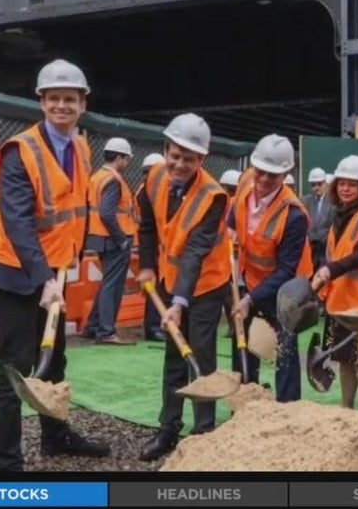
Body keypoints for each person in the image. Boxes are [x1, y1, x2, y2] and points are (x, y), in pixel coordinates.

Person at [0, 59, 110, 471]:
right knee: (15, 367)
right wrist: (44, 280)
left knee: (53, 359)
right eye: (53, 98)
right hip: (16, 273)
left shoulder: (80, 146)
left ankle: (55, 437)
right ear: (41, 102)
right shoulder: (20, 151)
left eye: (69, 99)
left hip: (55, 269)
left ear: (83, 104)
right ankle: (8, 462)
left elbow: (73, 207)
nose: (61, 106)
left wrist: (70, 263)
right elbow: (18, 221)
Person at [136, 113, 232, 461]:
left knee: (201, 355)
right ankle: (168, 428)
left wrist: (179, 303)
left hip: (206, 283)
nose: (179, 164)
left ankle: (203, 431)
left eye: (188, 159)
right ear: (166, 150)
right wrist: (147, 265)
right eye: (174, 156)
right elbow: (147, 225)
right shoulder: (153, 178)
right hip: (168, 277)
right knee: (174, 356)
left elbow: (195, 251)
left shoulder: (214, 196)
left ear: (201, 159)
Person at [230, 134, 311, 402]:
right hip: (250, 278)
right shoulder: (245, 182)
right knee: (244, 341)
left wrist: (249, 299)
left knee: (284, 347)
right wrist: (231, 233)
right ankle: (244, 402)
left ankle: (287, 408)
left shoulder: (294, 215)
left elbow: (286, 271)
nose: (263, 179)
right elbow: (233, 216)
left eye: (273, 175)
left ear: (285, 174)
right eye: (260, 171)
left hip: (286, 288)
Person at [311, 155, 358, 409]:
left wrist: (329, 270)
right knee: (344, 358)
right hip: (340, 300)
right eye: (342, 183)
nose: (345, 188)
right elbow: (335, 253)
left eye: (352, 184)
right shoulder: (339, 215)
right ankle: (346, 407)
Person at [83, 137, 136, 345]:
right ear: (120, 157)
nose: (128, 163)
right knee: (112, 286)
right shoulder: (113, 180)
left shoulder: (97, 177)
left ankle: (93, 327)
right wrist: (122, 240)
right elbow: (107, 213)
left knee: (107, 283)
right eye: (127, 158)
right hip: (114, 240)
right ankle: (106, 331)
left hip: (100, 238)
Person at [136, 152, 167, 343]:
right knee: (156, 287)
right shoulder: (149, 191)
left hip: (152, 246)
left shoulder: (145, 189)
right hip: (153, 247)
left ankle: (155, 325)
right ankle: (154, 326)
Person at [302, 167, 335, 271]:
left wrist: (316, 237)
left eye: (319, 184)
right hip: (309, 249)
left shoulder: (334, 203)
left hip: (325, 250)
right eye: (313, 185)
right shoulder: (305, 201)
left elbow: (332, 226)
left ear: (325, 184)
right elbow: (303, 224)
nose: (316, 188)